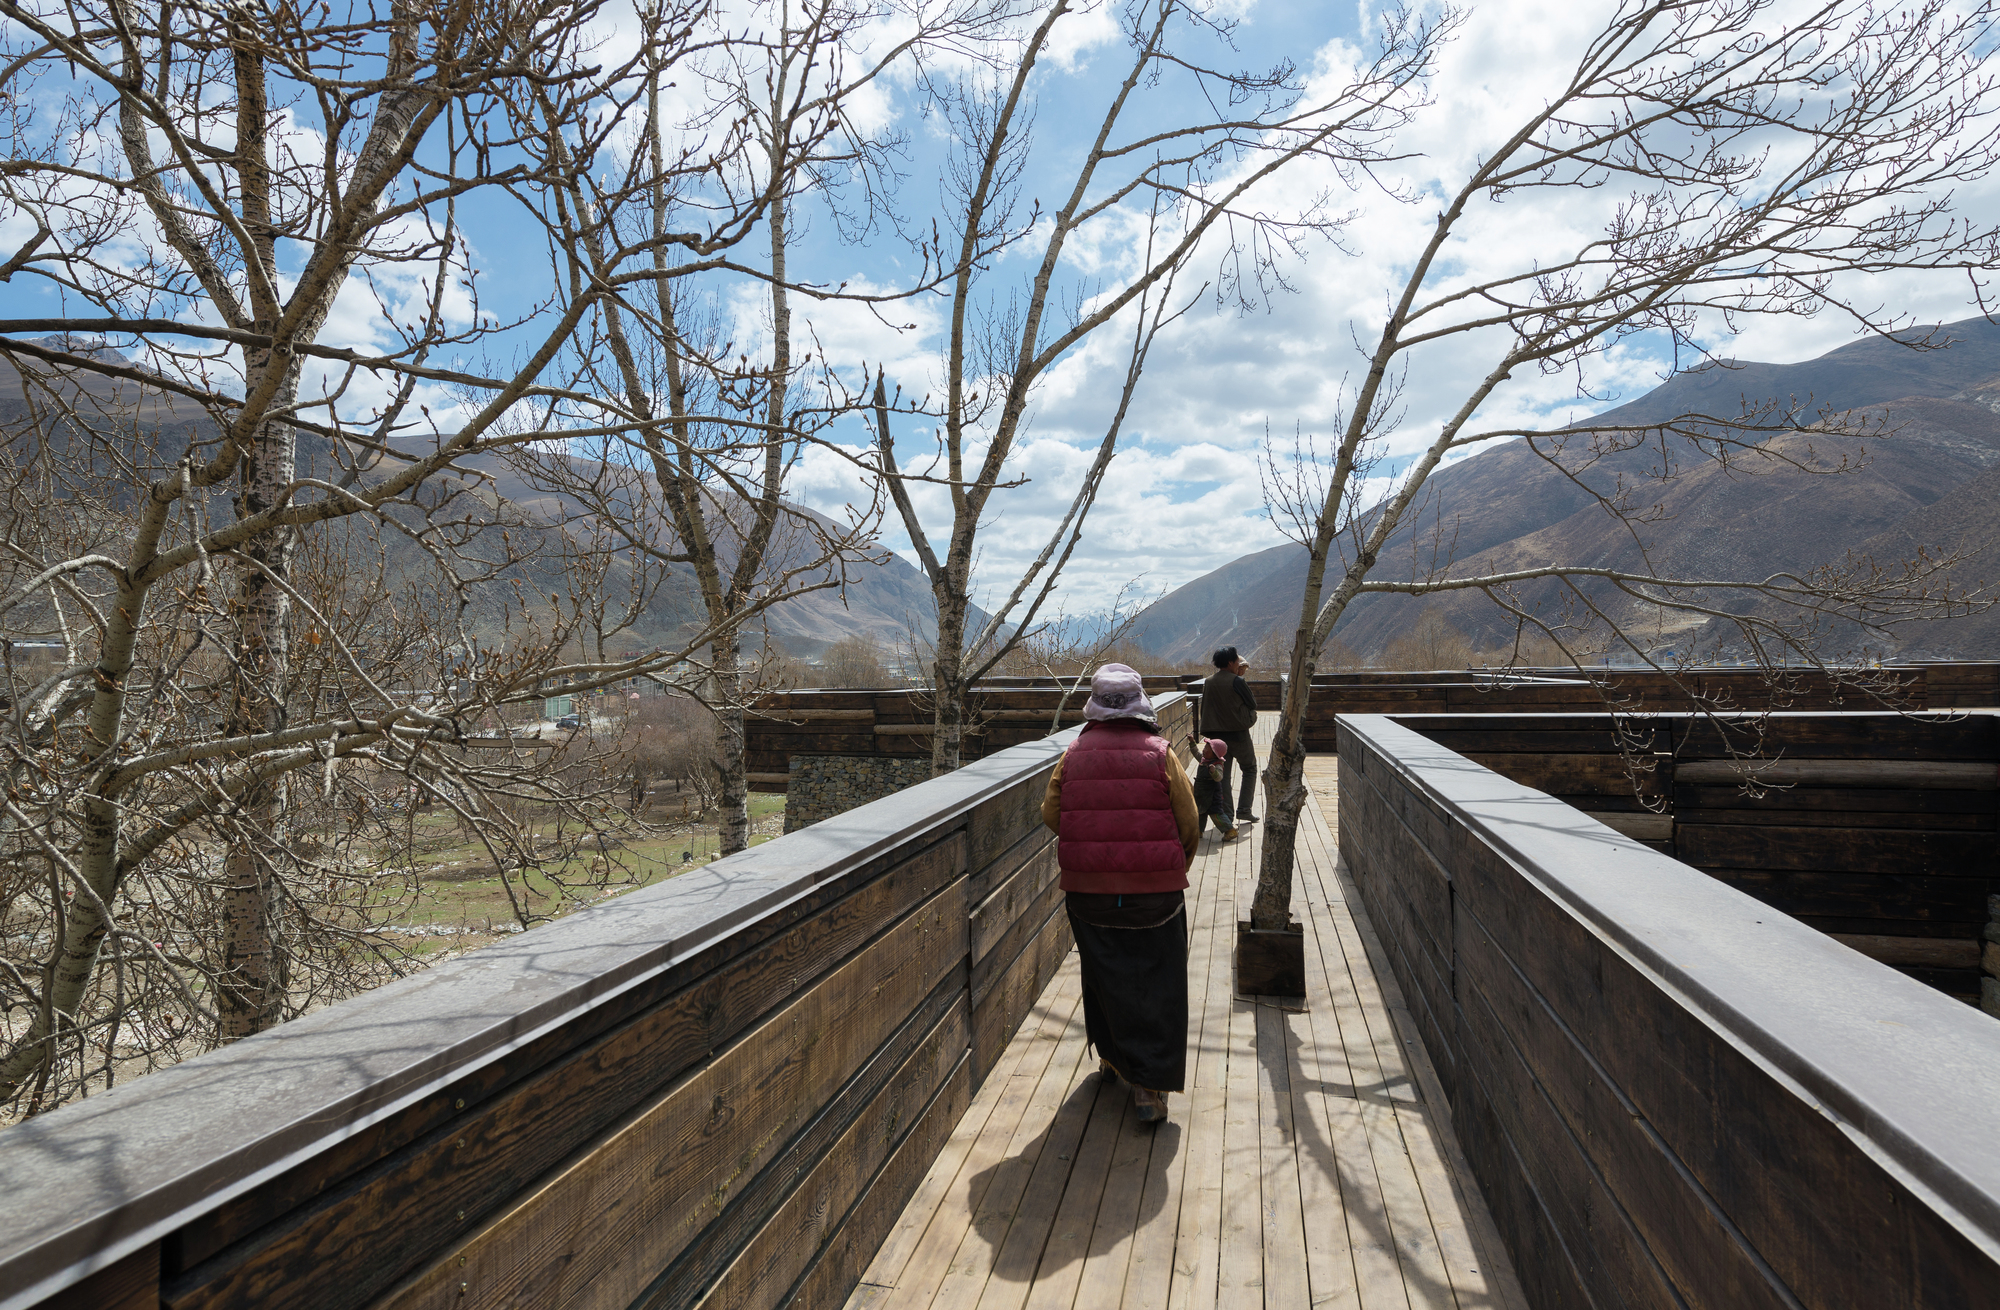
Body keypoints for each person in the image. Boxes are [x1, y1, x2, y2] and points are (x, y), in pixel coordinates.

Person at [1042, 663, 1199, 1124]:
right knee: (1159, 983)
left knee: (1104, 974)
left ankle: (1112, 1058)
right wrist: (1167, 868)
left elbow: (1052, 813)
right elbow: (1188, 824)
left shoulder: (1073, 754)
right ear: (1139, 704)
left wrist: (1095, 851)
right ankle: (1149, 1089)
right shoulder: (1160, 752)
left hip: (1089, 894)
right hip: (1156, 896)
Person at [1200, 646, 1259, 822]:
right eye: (1236, 661)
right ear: (1231, 662)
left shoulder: (1209, 682)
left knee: (1223, 775)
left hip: (1217, 739)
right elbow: (1252, 703)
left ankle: (1227, 815)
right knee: (1249, 769)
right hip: (1239, 735)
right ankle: (1244, 809)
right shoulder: (1237, 681)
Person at [1190, 737, 1239, 841]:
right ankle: (1198, 830)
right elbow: (1196, 753)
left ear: (1215, 753)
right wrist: (1192, 742)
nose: (1204, 750)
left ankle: (1230, 830)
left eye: (1207, 749)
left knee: (1216, 814)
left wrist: (1213, 772)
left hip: (1212, 795)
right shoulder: (1203, 760)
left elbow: (1219, 778)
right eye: (1204, 747)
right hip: (1201, 793)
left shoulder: (1217, 765)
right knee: (1200, 811)